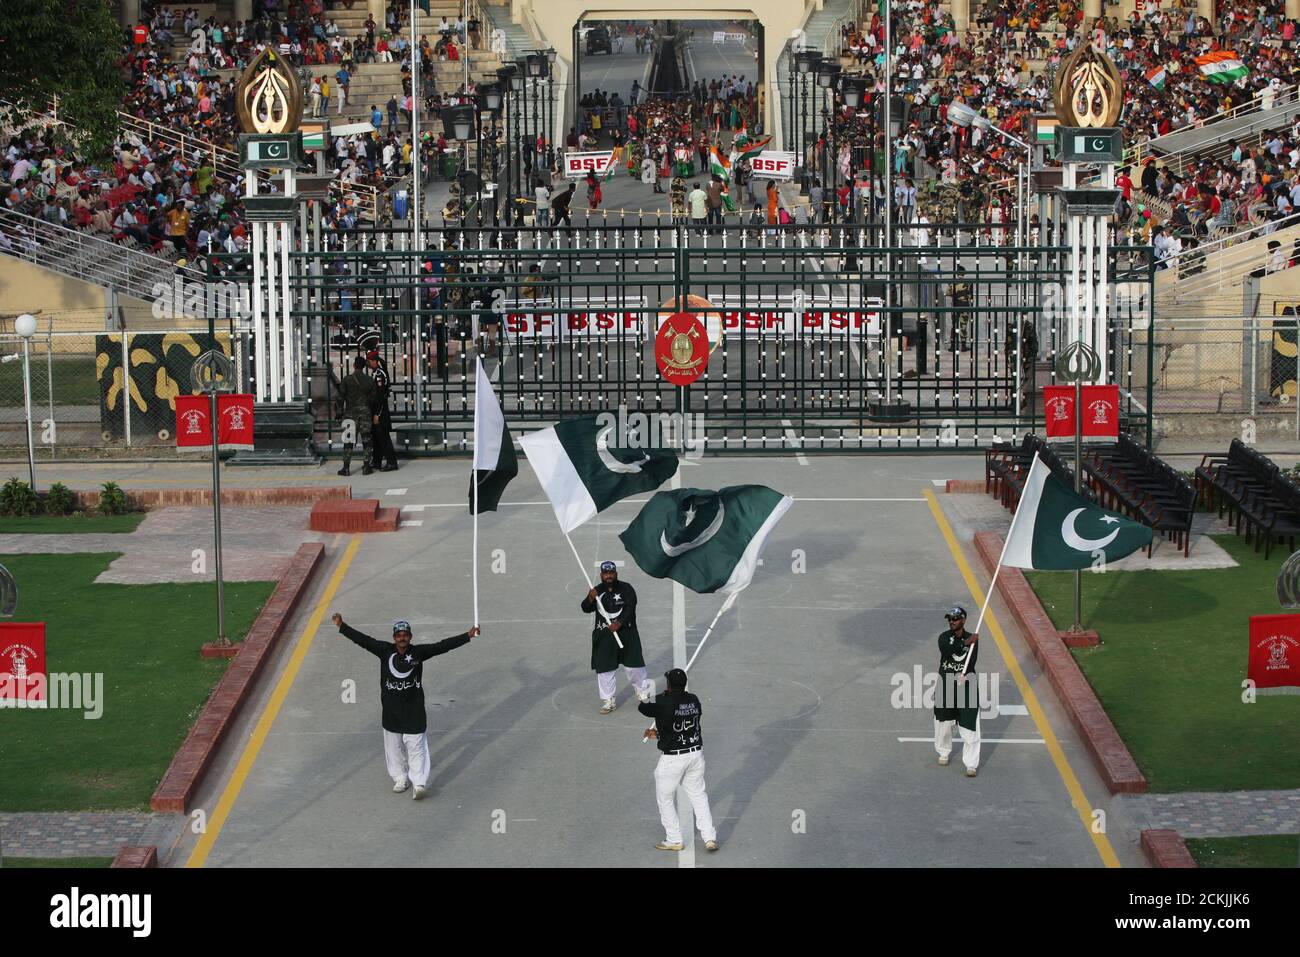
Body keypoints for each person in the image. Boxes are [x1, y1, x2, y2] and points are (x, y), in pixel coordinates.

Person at [331, 612, 480, 799]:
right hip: (391, 710)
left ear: (410, 636)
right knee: (393, 747)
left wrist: (467, 636)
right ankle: (400, 777)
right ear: (394, 638)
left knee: (416, 747)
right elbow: (363, 640)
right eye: (399, 635)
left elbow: (442, 646)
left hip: (414, 710)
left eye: (405, 635)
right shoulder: (384, 651)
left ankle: (419, 783)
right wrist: (342, 626)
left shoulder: (418, 653)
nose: (402, 638)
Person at [639, 668, 718, 853]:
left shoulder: (662, 701)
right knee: (699, 796)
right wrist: (659, 734)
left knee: (665, 798)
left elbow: (643, 708)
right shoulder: (694, 701)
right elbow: (682, 726)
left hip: (674, 758)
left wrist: (645, 696)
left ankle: (674, 839)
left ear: (668, 685)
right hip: (695, 755)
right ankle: (710, 837)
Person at [581, 560, 653, 713]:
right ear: (601, 575)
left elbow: (631, 607)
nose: (609, 576)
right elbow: (585, 608)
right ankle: (608, 700)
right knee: (605, 669)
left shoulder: (626, 588)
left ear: (616, 574)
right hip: (605, 635)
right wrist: (590, 598)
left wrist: (619, 622)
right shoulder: (597, 591)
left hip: (627, 633)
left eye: (611, 573)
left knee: (634, 665)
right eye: (606, 573)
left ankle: (642, 692)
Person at [933, 606, 980, 777]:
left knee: (970, 725)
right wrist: (966, 643)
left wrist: (965, 676)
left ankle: (971, 763)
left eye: (955, 618)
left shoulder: (973, 639)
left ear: (963, 620)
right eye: (950, 619)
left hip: (966, 687)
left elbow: (971, 662)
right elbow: (947, 651)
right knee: (943, 723)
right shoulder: (944, 638)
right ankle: (943, 752)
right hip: (945, 686)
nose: (952, 622)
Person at [337, 354, 378, 475]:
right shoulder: (370, 381)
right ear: (364, 367)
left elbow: (340, 398)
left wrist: (340, 412)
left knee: (348, 442)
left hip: (350, 414)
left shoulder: (347, 379)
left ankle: (346, 468)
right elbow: (374, 399)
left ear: (354, 365)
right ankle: (366, 466)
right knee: (366, 441)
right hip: (365, 414)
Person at [366, 349, 398, 471]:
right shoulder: (376, 373)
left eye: (369, 361)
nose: (368, 363)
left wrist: (377, 414)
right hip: (376, 411)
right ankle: (377, 461)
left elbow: (381, 397)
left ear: (374, 361)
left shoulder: (379, 375)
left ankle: (392, 462)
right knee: (376, 438)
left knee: (384, 438)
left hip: (380, 412)